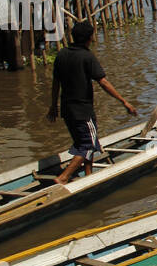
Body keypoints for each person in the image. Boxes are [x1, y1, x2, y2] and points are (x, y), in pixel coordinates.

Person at [48, 21, 136, 184]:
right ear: (89, 38)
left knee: (86, 141)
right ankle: (63, 177)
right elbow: (103, 82)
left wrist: (53, 106)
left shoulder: (62, 54)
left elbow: (55, 83)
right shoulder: (87, 56)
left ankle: (88, 175)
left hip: (67, 110)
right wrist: (124, 101)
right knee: (88, 145)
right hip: (83, 111)